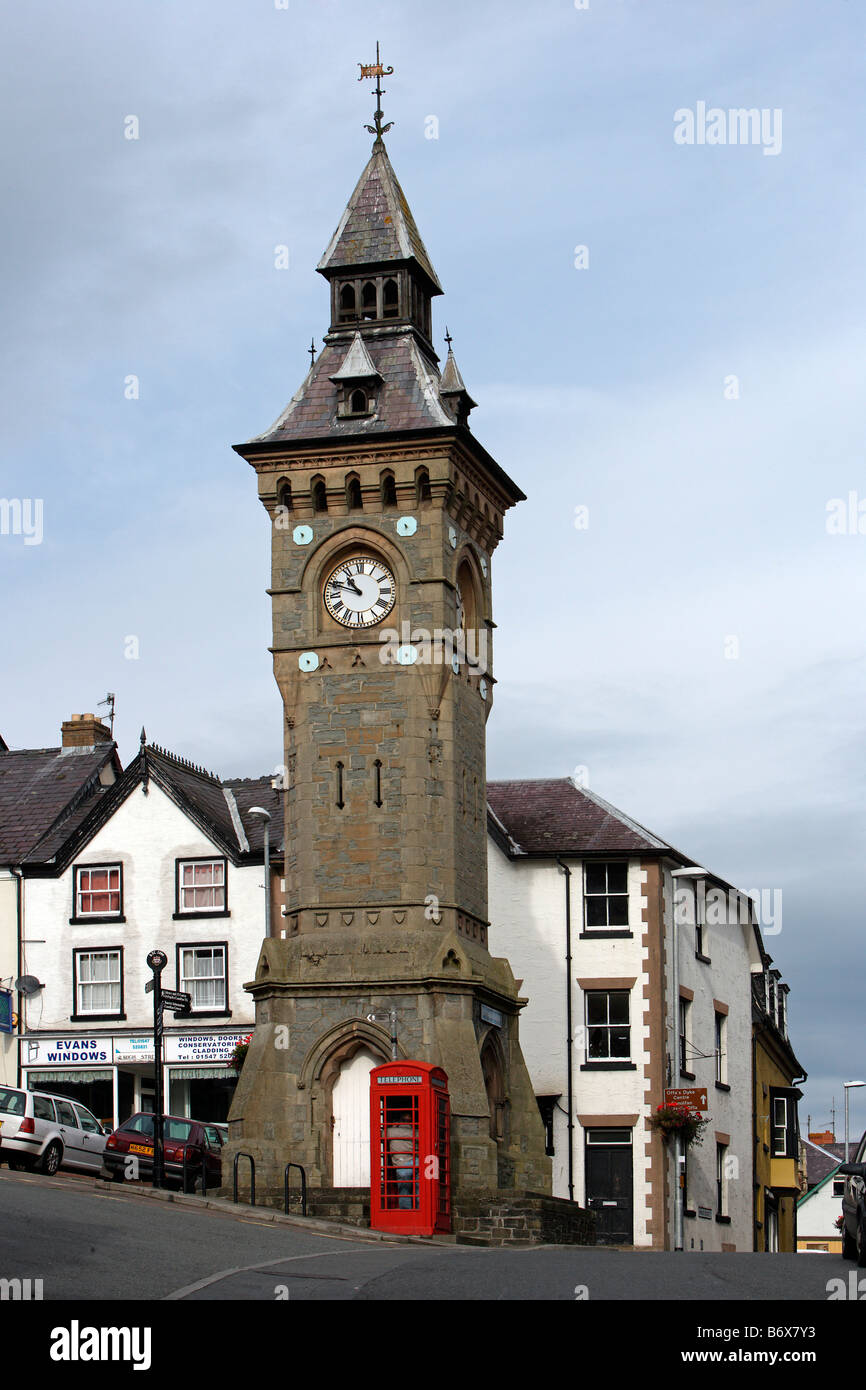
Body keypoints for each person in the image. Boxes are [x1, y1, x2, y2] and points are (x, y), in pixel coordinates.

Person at [385, 1106, 416, 1209]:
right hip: (416, 1163)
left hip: (401, 1164)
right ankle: (419, 1208)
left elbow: (381, 1135)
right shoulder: (415, 1131)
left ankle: (406, 1212)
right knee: (419, 1190)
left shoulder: (390, 1131)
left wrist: (393, 1126)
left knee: (404, 1192)